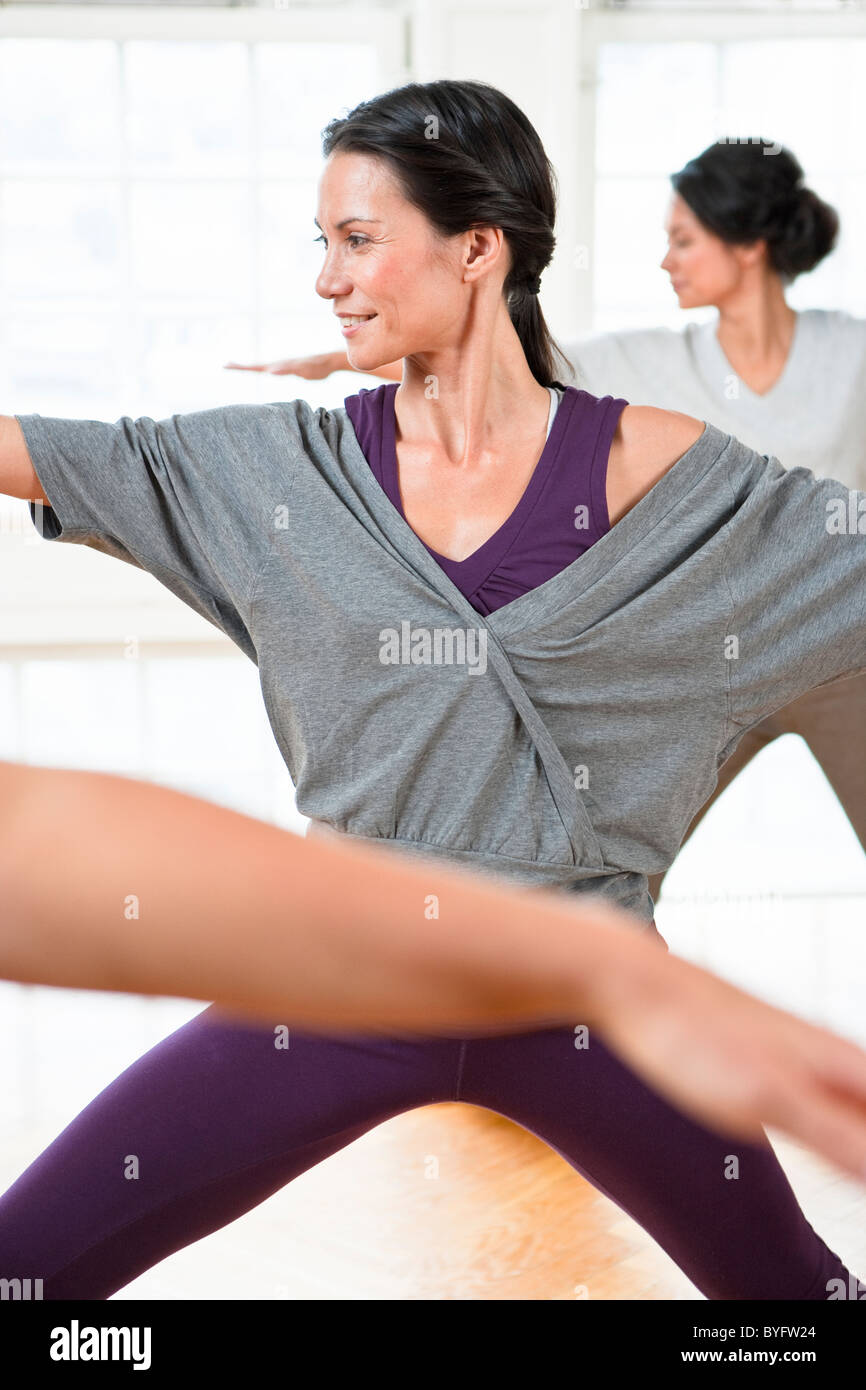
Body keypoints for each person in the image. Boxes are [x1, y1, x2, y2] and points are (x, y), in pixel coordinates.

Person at [1, 79, 864, 1301]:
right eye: (323, 244)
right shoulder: (277, 467)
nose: (325, 278)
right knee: (25, 1269)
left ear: (476, 246)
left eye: (357, 240)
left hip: (586, 997)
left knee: (793, 1302)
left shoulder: (661, 473)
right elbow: (54, 452)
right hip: (327, 979)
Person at [237, 138, 866, 908]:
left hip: (840, 650)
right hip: (703, 648)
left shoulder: (851, 352)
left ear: (747, 247)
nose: (666, 261)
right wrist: (345, 355)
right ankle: (566, 999)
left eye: (684, 240)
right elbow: (499, 361)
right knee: (611, 869)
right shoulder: (645, 359)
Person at [5, 756, 866, 1175]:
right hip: (329, 1024)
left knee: (788, 1309)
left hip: (566, 1011)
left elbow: (33, 839)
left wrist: (608, 968)